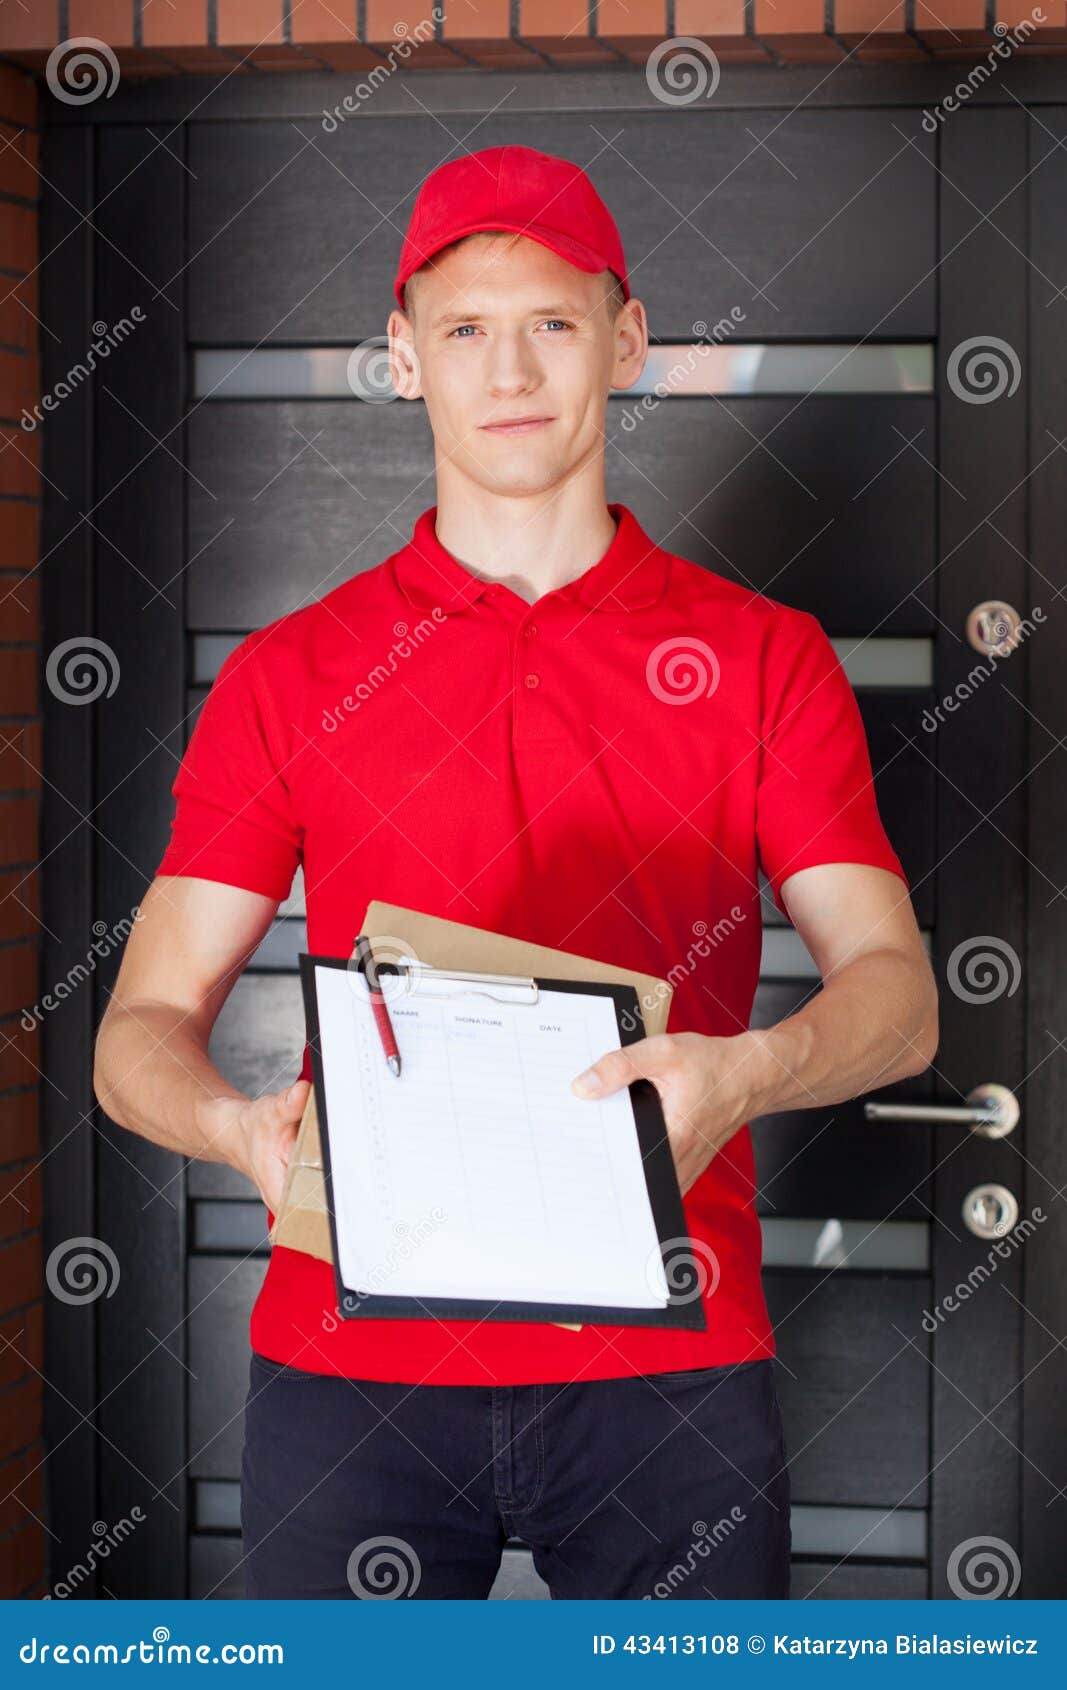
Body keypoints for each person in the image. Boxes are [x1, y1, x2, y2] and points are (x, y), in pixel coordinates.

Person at [93, 144, 938, 1600]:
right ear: (403, 356)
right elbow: (133, 1031)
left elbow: (900, 996)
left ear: (626, 339)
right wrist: (235, 1128)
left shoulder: (760, 656)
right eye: (467, 329)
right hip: (352, 1363)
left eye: (552, 321)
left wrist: (742, 1073)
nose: (511, 369)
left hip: (670, 1357)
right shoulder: (295, 677)